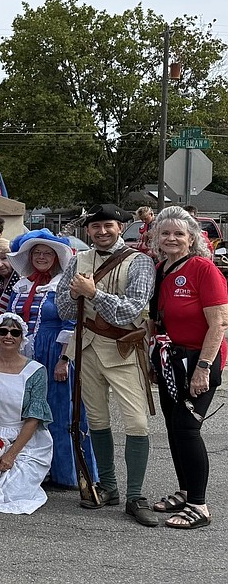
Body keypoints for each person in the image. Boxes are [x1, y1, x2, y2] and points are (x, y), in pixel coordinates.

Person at [56, 203, 158, 526]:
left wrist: (93, 293)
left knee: (137, 422)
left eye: (108, 226)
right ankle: (109, 486)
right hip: (86, 347)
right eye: (96, 227)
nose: (101, 232)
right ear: (88, 230)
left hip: (123, 349)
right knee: (97, 420)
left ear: (120, 227)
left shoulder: (140, 262)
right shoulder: (77, 261)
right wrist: (76, 297)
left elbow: (131, 311)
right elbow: (63, 308)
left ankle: (135, 495)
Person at [147, 206, 228, 529]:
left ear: (192, 238)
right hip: (170, 359)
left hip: (199, 359)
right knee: (174, 428)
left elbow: (219, 323)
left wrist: (204, 368)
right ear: (156, 238)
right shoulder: (160, 269)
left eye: (179, 233)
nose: (171, 238)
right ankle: (185, 490)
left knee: (188, 429)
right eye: (165, 233)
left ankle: (199, 505)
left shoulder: (203, 269)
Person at [6, 229, 91, 489]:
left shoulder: (63, 285)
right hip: (23, 354)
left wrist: (64, 359)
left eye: (47, 253)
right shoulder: (21, 285)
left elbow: (72, 322)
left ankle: (64, 472)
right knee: (24, 412)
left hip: (53, 351)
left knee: (57, 412)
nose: (42, 257)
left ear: (56, 257)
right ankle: (30, 467)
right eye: (37, 253)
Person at [0, 313, 54, 514]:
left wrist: (10, 455)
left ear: (21, 338)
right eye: (3, 331)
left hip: (24, 440)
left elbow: (33, 418)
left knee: (14, 492)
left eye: (15, 332)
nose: (8, 336)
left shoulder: (36, 371)